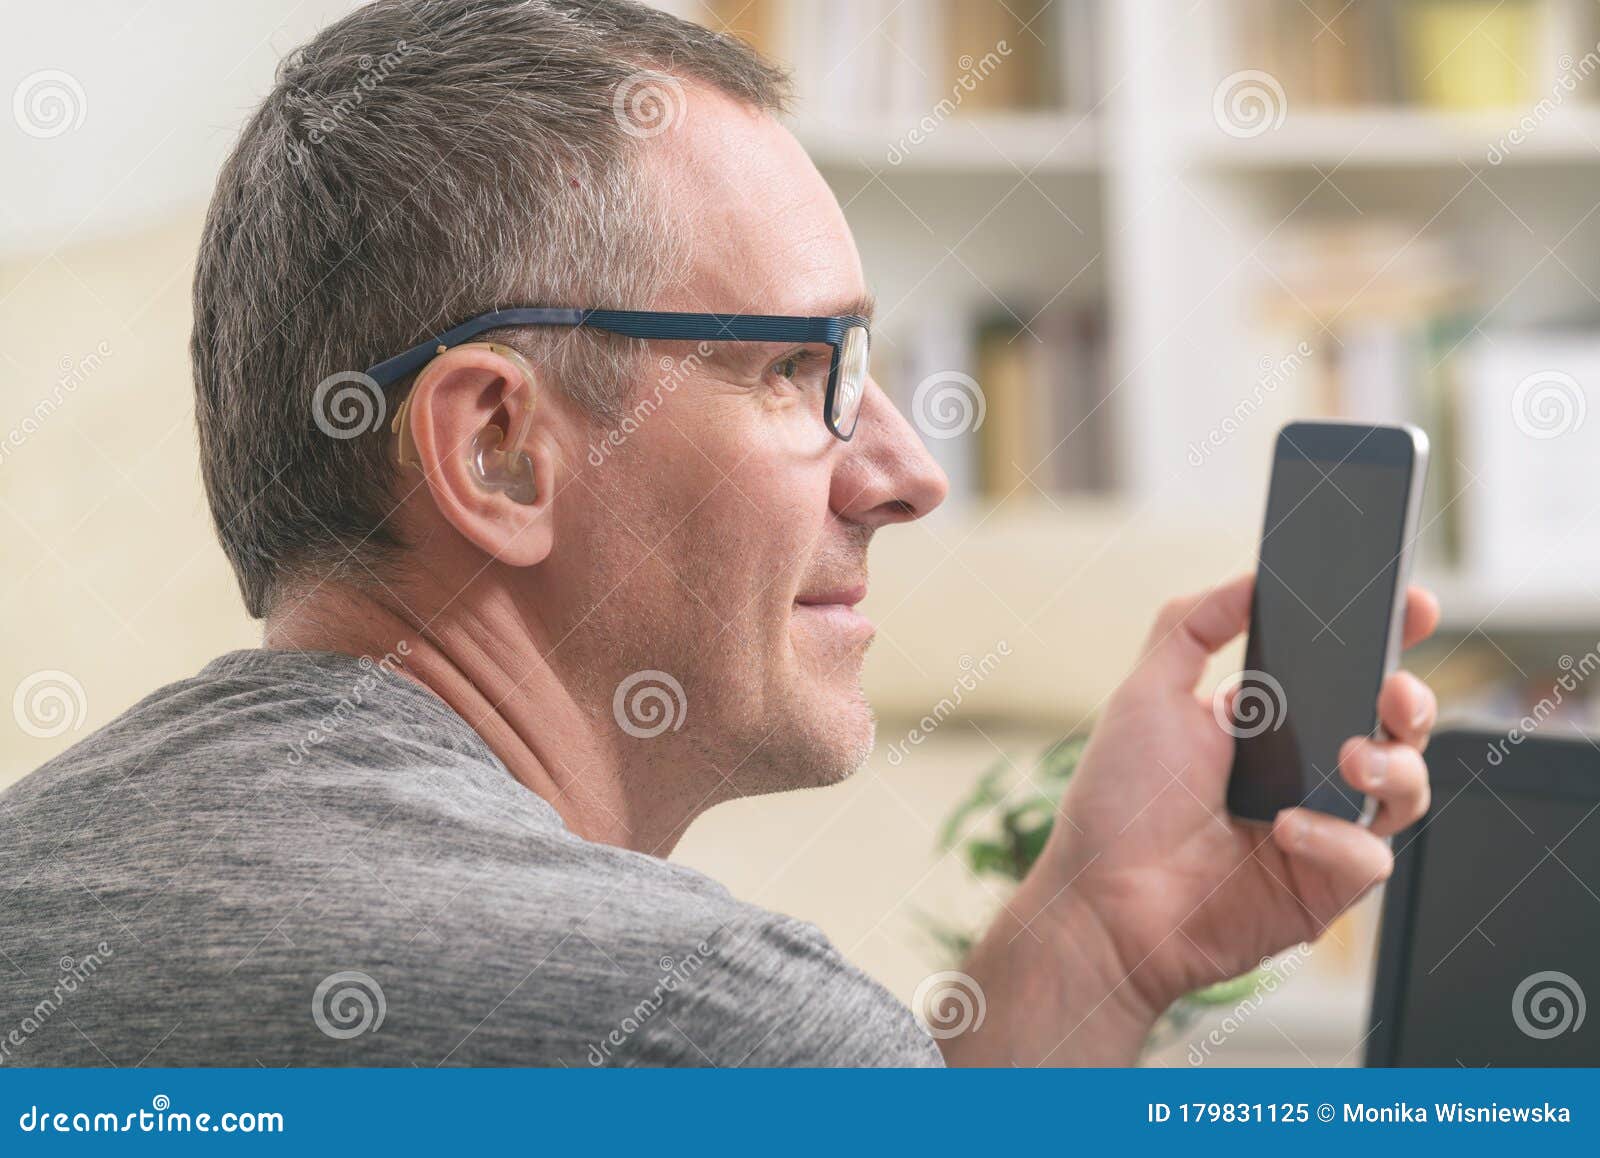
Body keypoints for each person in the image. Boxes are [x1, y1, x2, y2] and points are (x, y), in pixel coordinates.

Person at [0, 0, 1437, 1067]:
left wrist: (1093, 943)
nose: (908, 475)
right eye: (800, 369)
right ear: (497, 450)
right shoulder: (709, 1025)